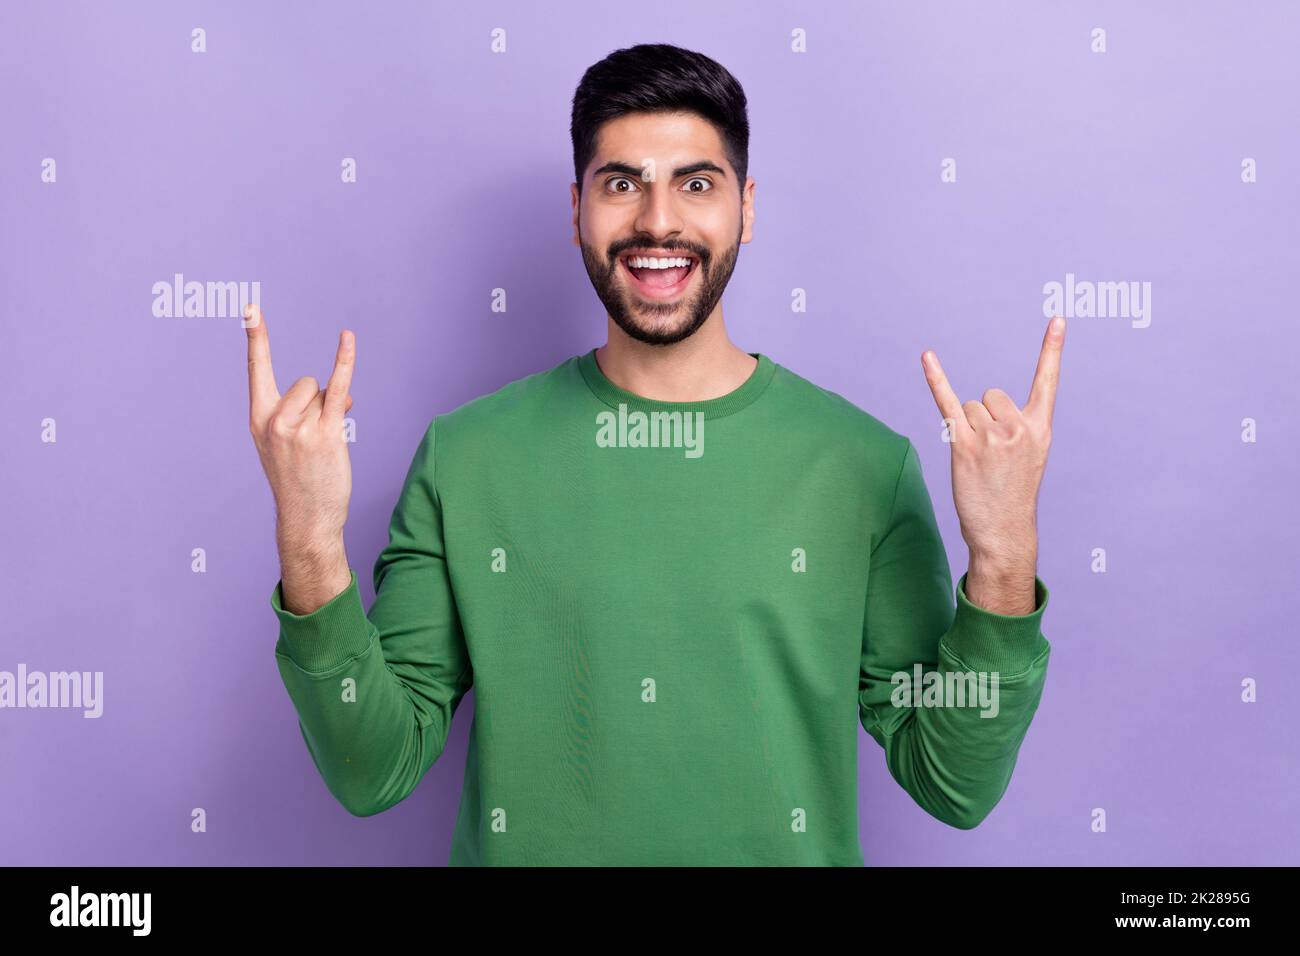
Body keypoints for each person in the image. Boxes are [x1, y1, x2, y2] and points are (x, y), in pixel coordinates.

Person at [245, 43, 1063, 866]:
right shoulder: (464, 457)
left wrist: (1003, 553)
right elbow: (372, 770)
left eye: (696, 184)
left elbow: (954, 782)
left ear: (747, 207)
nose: (658, 221)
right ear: (576, 211)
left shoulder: (864, 466)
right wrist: (310, 542)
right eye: (622, 183)